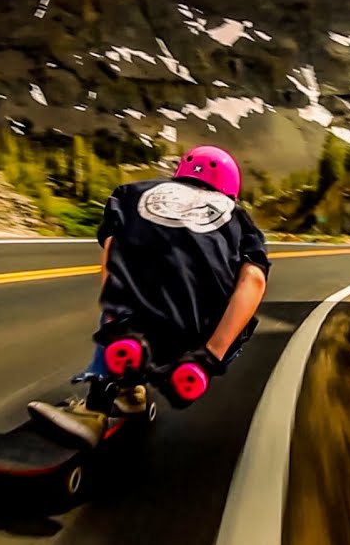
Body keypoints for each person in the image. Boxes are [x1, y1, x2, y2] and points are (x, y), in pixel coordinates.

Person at [28, 144, 271, 447]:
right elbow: (254, 280)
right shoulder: (241, 220)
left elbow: (115, 252)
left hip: (141, 319)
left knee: (132, 294)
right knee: (233, 307)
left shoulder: (132, 193)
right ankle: (139, 388)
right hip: (201, 331)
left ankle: (98, 403)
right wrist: (211, 355)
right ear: (230, 190)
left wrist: (116, 322)